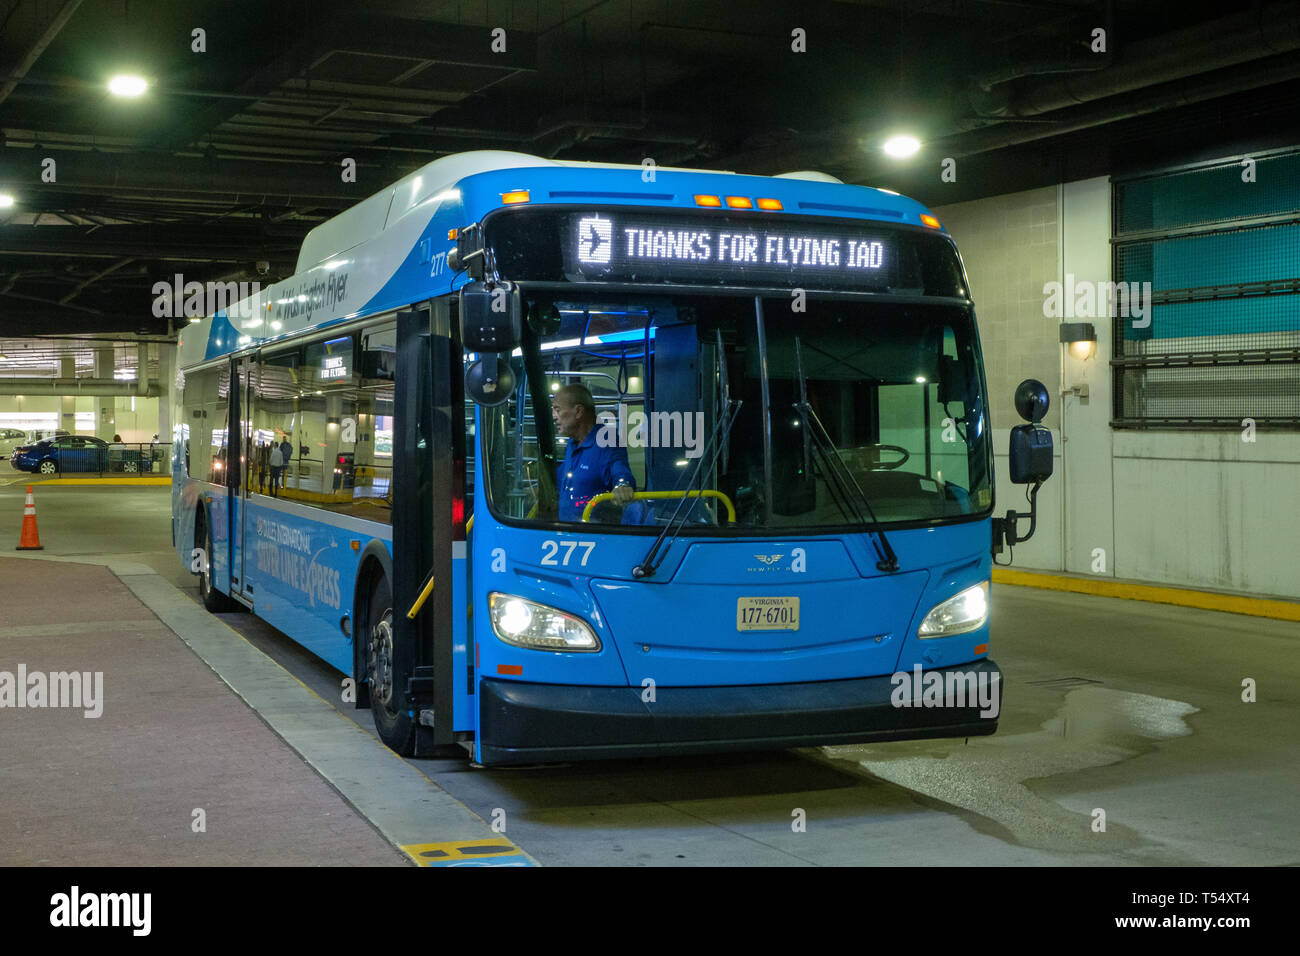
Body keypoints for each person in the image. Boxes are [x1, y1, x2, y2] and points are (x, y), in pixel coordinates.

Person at [551, 384, 635, 521]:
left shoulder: (606, 441)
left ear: (578, 411)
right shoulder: (572, 444)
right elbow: (564, 478)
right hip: (567, 533)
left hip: (594, 535)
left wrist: (623, 485)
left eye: (557, 410)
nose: (554, 416)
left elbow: (620, 469)